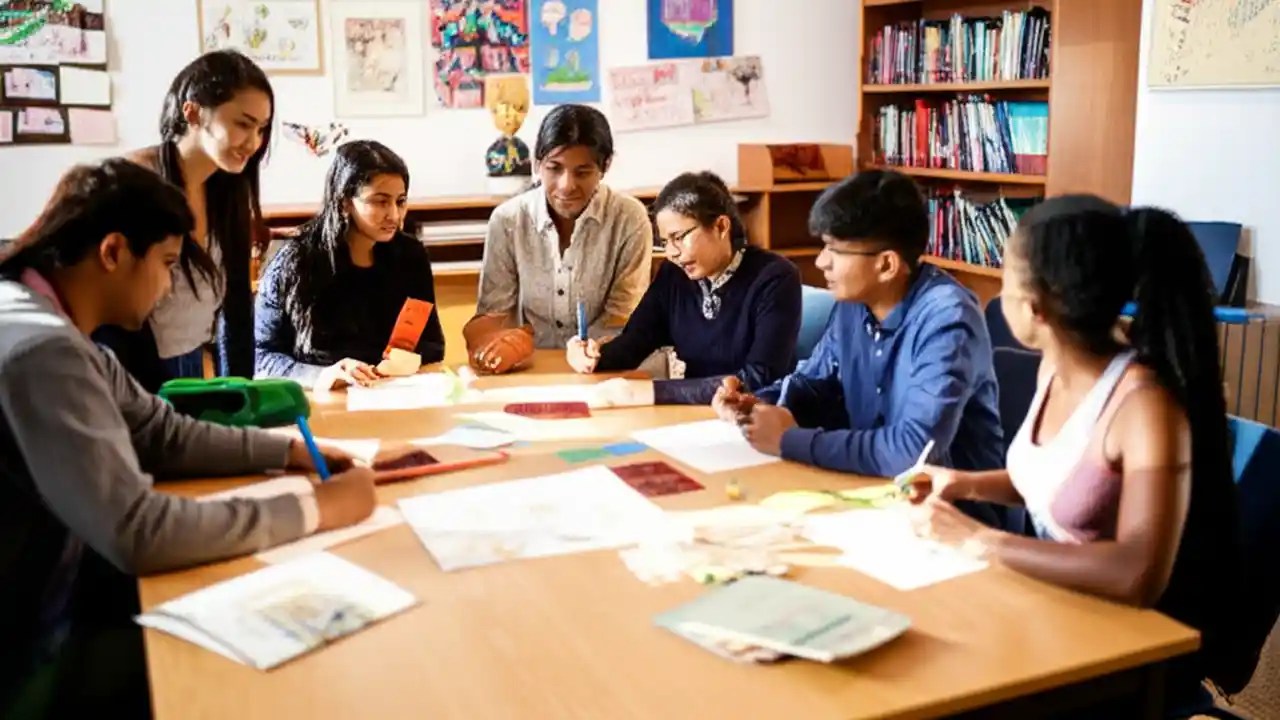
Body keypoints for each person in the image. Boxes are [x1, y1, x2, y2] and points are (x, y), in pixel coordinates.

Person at [0, 159, 377, 717]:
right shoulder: (44, 351)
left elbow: (157, 433)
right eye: (168, 263)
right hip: (28, 648)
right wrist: (313, 511)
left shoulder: (47, 320)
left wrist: (288, 452)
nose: (171, 284)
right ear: (113, 253)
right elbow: (137, 530)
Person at [905, 196, 1251, 711]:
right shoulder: (1053, 368)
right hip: (1047, 608)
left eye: (1005, 279)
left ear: (1036, 308)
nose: (999, 296)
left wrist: (981, 539)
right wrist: (963, 482)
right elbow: (1057, 481)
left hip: (1113, 649)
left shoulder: (1145, 405)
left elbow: (1135, 574)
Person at [715, 169, 1004, 480]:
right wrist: (757, 404)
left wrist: (788, 440)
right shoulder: (853, 304)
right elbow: (812, 385)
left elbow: (912, 452)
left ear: (886, 265)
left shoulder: (947, 317)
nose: (821, 262)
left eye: (835, 250)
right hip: (871, 490)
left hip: (952, 511)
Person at [93, 49, 274, 392]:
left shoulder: (228, 188)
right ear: (192, 111)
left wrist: (241, 394)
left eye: (261, 129)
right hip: (124, 365)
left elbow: (236, 307)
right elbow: (107, 309)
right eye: (242, 124)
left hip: (188, 360)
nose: (253, 143)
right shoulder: (135, 181)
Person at [566, 171, 801, 405]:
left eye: (679, 237)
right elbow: (635, 342)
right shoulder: (674, 274)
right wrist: (592, 355)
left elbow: (760, 378)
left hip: (755, 418)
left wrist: (654, 392)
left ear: (721, 226)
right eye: (665, 242)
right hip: (694, 416)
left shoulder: (775, 278)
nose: (671, 253)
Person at [465, 103, 653, 374]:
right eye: (554, 168)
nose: (566, 185)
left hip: (603, 366)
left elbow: (623, 317)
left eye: (583, 172)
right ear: (537, 164)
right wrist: (498, 343)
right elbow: (495, 315)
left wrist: (585, 351)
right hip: (527, 368)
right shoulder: (508, 220)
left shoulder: (629, 219)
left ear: (605, 166)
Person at [254, 140, 445, 391]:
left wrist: (397, 364)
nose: (395, 216)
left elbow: (432, 344)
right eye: (380, 201)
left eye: (400, 202)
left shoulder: (411, 256)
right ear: (344, 202)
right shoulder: (296, 262)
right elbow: (261, 358)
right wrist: (321, 376)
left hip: (393, 394)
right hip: (321, 400)